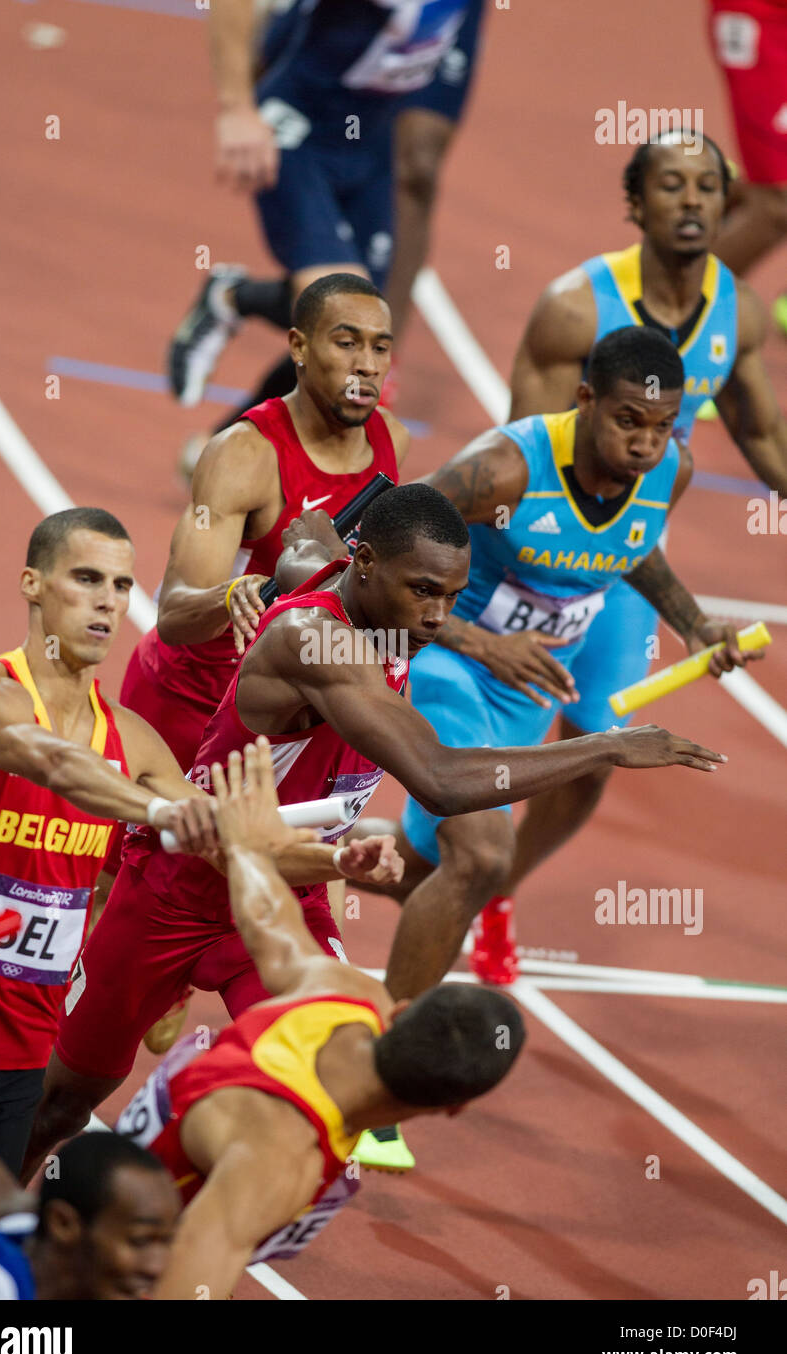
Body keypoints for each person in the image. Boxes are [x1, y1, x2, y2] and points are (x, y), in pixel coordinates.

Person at [18, 482, 723, 1183]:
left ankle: (184, 1232)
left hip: (290, 886)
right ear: (364, 565)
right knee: (64, 1105)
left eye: (452, 595)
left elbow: (310, 539)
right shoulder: (311, 638)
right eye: (422, 591)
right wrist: (603, 747)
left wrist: (319, 530)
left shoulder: (367, 591)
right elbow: (439, 779)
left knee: (323, 1090)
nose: (437, 615)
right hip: (176, 889)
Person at [286, 329, 756, 1003]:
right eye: (628, 422)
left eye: (661, 427)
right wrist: (481, 644)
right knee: (483, 854)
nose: (645, 445)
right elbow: (370, 556)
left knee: (422, 870)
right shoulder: (505, 470)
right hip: (445, 663)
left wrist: (694, 623)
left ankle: (236, 849)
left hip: (525, 689)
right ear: (585, 399)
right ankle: (386, 1061)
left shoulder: (666, 471)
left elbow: (634, 544)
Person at [473, 133, 787, 970]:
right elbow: (525, 449)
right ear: (636, 207)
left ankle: (498, 887)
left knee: (594, 748)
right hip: (530, 548)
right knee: (475, 752)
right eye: (673, 186)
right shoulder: (576, 308)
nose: (692, 201)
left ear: (728, 205)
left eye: (708, 188)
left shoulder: (740, 312)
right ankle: (446, 859)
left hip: (626, 561)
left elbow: (759, 428)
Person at [112, 739, 525, 1301]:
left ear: (399, 1012)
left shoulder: (342, 994)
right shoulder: (279, 1161)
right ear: (454, 1108)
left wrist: (250, 847)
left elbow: (270, 920)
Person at [0, 508, 220, 1178]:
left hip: (20, 1055)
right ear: (32, 583)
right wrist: (166, 812)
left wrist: (340, 857)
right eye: (86, 579)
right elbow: (58, 766)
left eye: (120, 586)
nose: (107, 602)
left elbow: (224, 832)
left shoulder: (135, 741)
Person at [123, 274, 406, 775]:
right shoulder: (244, 456)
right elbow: (172, 615)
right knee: (149, 853)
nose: (366, 364)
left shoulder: (391, 442)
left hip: (290, 713)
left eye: (380, 348)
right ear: (298, 345)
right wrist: (231, 596)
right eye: (346, 343)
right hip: (191, 704)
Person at [168, 0, 482, 426]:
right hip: (301, 134)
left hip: (370, 146)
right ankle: (234, 299)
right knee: (350, 318)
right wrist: (236, 108)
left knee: (354, 333)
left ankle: (219, 441)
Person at [0, 916, 179, 1299]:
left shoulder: (18, 1221)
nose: (158, 1266)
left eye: (165, 1242)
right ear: (62, 1224)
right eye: (141, 1241)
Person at [706, 0, 787, 331]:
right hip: (763, 19)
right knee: (777, 204)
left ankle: (664, 260)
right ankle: (663, 313)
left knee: (766, 184)